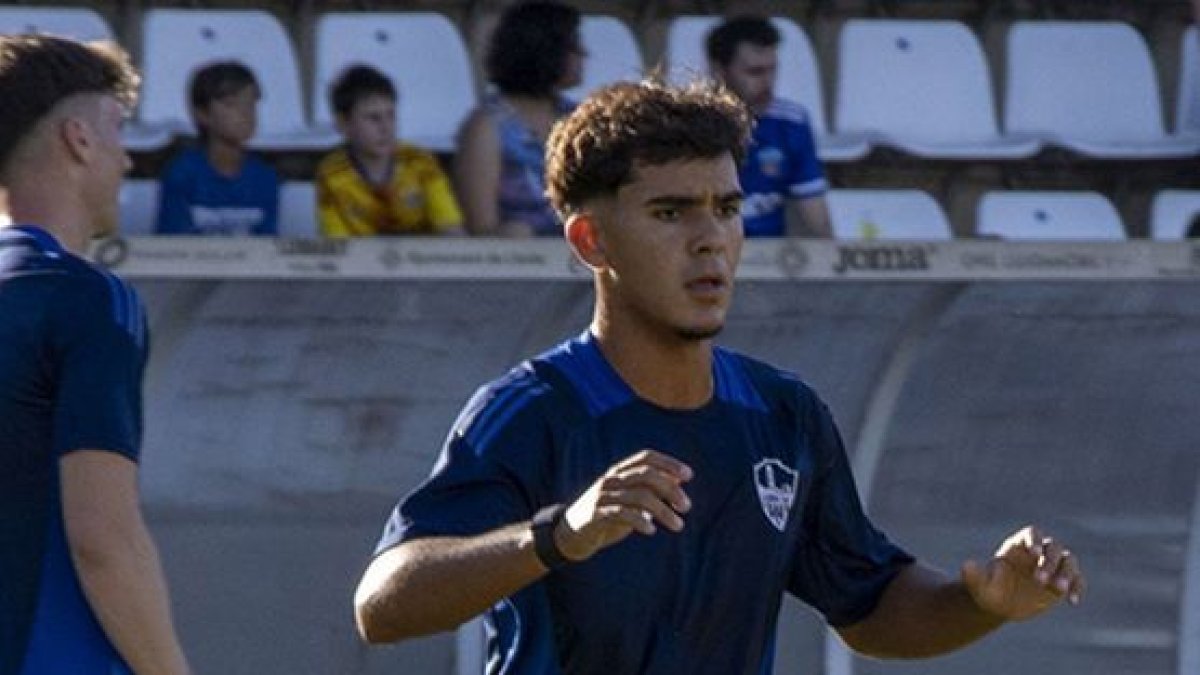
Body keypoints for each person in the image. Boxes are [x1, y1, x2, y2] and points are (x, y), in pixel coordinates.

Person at [352, 79, 1085, 673]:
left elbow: (871, 604)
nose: (710, 240)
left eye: (727, 209)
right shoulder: (532, 410)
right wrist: (558, 536)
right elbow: (383, 603)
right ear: (590, 239)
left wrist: (981, 599)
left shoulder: (783, 415)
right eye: (671, 211)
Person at [0, 35, 191, 674]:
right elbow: (103, 539)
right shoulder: (86, 299)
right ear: (78, 139)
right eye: (118, 130)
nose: (128, 161)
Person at [454, 0, 584, 237]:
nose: (584, 55)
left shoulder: (579, 119)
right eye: (573, 47)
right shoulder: (487, 126)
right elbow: (481, 226)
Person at [707, 15, 832, 238]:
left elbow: (817, 217)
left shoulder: (791, 123)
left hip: (768, 258)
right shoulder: (687, 126)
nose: (767, 82)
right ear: (719, 71)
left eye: (772, 70)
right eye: (754, 72)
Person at [316, 64, 463, 237]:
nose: (386, 128)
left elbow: (451, 231)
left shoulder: (420, 162)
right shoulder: (331, 175)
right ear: (343, 124)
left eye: (391, 115)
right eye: (373, 118)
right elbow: (338, 247)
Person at [155, 60, 279, 235]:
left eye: (251, 104)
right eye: (231, 104)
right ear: (202, 114)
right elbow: (171, 245)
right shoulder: (183, 174)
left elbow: (268, 246)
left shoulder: (264, 176)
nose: (246, 113)